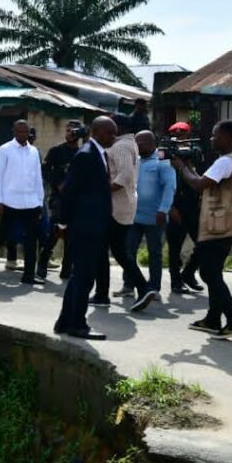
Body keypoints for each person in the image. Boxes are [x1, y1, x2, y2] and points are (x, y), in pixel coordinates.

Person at [172, 120, 232, 339]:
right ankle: (213, 319)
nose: (212, 139)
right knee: (212, 271)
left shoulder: (225, 162)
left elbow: (198, 185)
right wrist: (189, 168)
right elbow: (203, 181)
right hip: (225, 224)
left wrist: (182, 168)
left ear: (230, 138)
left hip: (221, 225)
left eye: (217, 135)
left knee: (208, 272)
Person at [54, 116, 118, 341]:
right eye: (110, 133)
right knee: (84, 277)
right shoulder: (86, 155)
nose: (114, 136)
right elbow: (69, 191)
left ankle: (65, 321)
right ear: (98, 132)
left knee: (79, 275)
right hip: (85, 227)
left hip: (94, 225)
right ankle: (78, 324)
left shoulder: (98, 154)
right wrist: (63, 223)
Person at [95, 113, 152, 308]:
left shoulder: (120, 146)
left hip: (115, 206)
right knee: (118, 251)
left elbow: (124, 175)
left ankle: (103, 294)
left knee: (105, 250)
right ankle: (143, 288)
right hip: (124, 204)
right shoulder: (131, 144)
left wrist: (103, 191)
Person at [0, 120, 44, 285]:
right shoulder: (5, 150)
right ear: (14, 131)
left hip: (30, 202)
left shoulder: (34, 151)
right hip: (10, 202)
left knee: (31, 241)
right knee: (1, 236)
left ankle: (29, 276)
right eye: (20, 131)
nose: (23, 134)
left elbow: (38, 178)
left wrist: (40, 201)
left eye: (26, 131)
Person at [126, 131, 176, 312]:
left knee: (154, 253)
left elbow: (170, 187)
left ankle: (154, 288)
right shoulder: (137, 161)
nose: (137, 145)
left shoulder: (162, 162)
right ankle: (128, 285)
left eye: (141, 142)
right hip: (134, 216)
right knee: (128, 251)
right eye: (136, 142)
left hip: (155, 217)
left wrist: (164, 209)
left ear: (151, 143)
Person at [37, 121, 84, 279]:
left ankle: (66, 269)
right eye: (68, 130)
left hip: (75, 200)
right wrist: (57, 184)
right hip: (59, 199)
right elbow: (45, 170)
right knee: (54, 233)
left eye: (73, 131)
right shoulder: (56, 151)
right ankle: (42, 264)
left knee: (71, 237)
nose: (70, 133)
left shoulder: (82, 152)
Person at [165, 121, 204, 294]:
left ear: (188, 134)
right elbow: (164, 183)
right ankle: (175, 281)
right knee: (174, 247)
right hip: (175, 205)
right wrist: (170, 207)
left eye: (182, 134)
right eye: (176, 134)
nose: (179, 137)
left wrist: (186, 164)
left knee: (203, 244)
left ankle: (188, 273)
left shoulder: (194, 152)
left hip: (193, 205)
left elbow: (199, 176)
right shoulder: (168, 154)